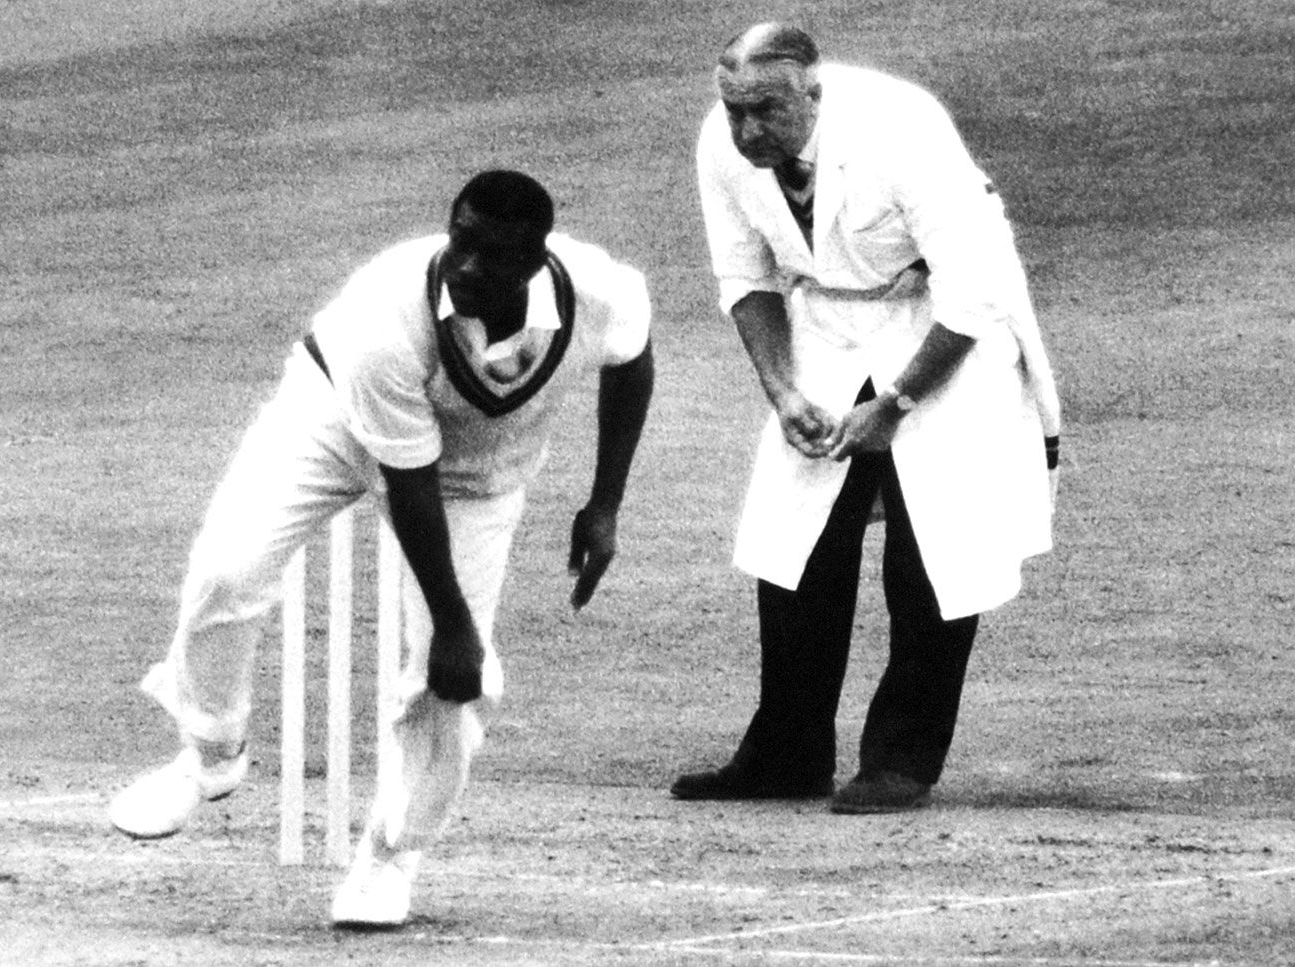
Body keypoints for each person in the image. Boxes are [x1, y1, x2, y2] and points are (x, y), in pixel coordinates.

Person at [108, 170, 655, 926]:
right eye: (458, 239)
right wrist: (454, 623)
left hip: (481, 476)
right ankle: (209, 752)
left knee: (452, 683)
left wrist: (604, 505)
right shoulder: (385, 310)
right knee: (226, 571)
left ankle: (391, 856)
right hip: (331, 416)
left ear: (534, 260)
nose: (463, 265)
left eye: (489, 255)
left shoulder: (600, 290)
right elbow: (409, 480)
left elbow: (631, 360)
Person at [671, 23, 1060, 813]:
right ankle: (787, 750)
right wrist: (782, 392)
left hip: (947, 326)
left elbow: (973, 290)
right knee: (795, 540)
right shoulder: (723, 144)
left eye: (766, 110)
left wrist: (898, 402)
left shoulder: (902, 130)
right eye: (734, 107)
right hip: (827, 326)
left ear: (814, 92)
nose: (747, 128)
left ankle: (902, 757)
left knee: (932, 548)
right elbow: (744, 277)